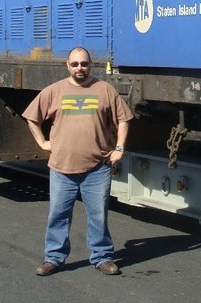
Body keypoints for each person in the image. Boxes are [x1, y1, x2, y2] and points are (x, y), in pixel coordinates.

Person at [22, 46, 134, 277]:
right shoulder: (54, 91)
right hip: (62, 168)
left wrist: (120, 148)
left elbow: (124, 119)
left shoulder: (105, 90)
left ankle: (102, 257)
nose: (79, 68)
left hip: (98, 168)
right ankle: (53, 258)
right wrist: (42, 142)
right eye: (75, 64)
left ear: (91, 65)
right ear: (67, 65)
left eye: (84, 64)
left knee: (98, 215)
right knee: (58, 215)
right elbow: (32, 118)